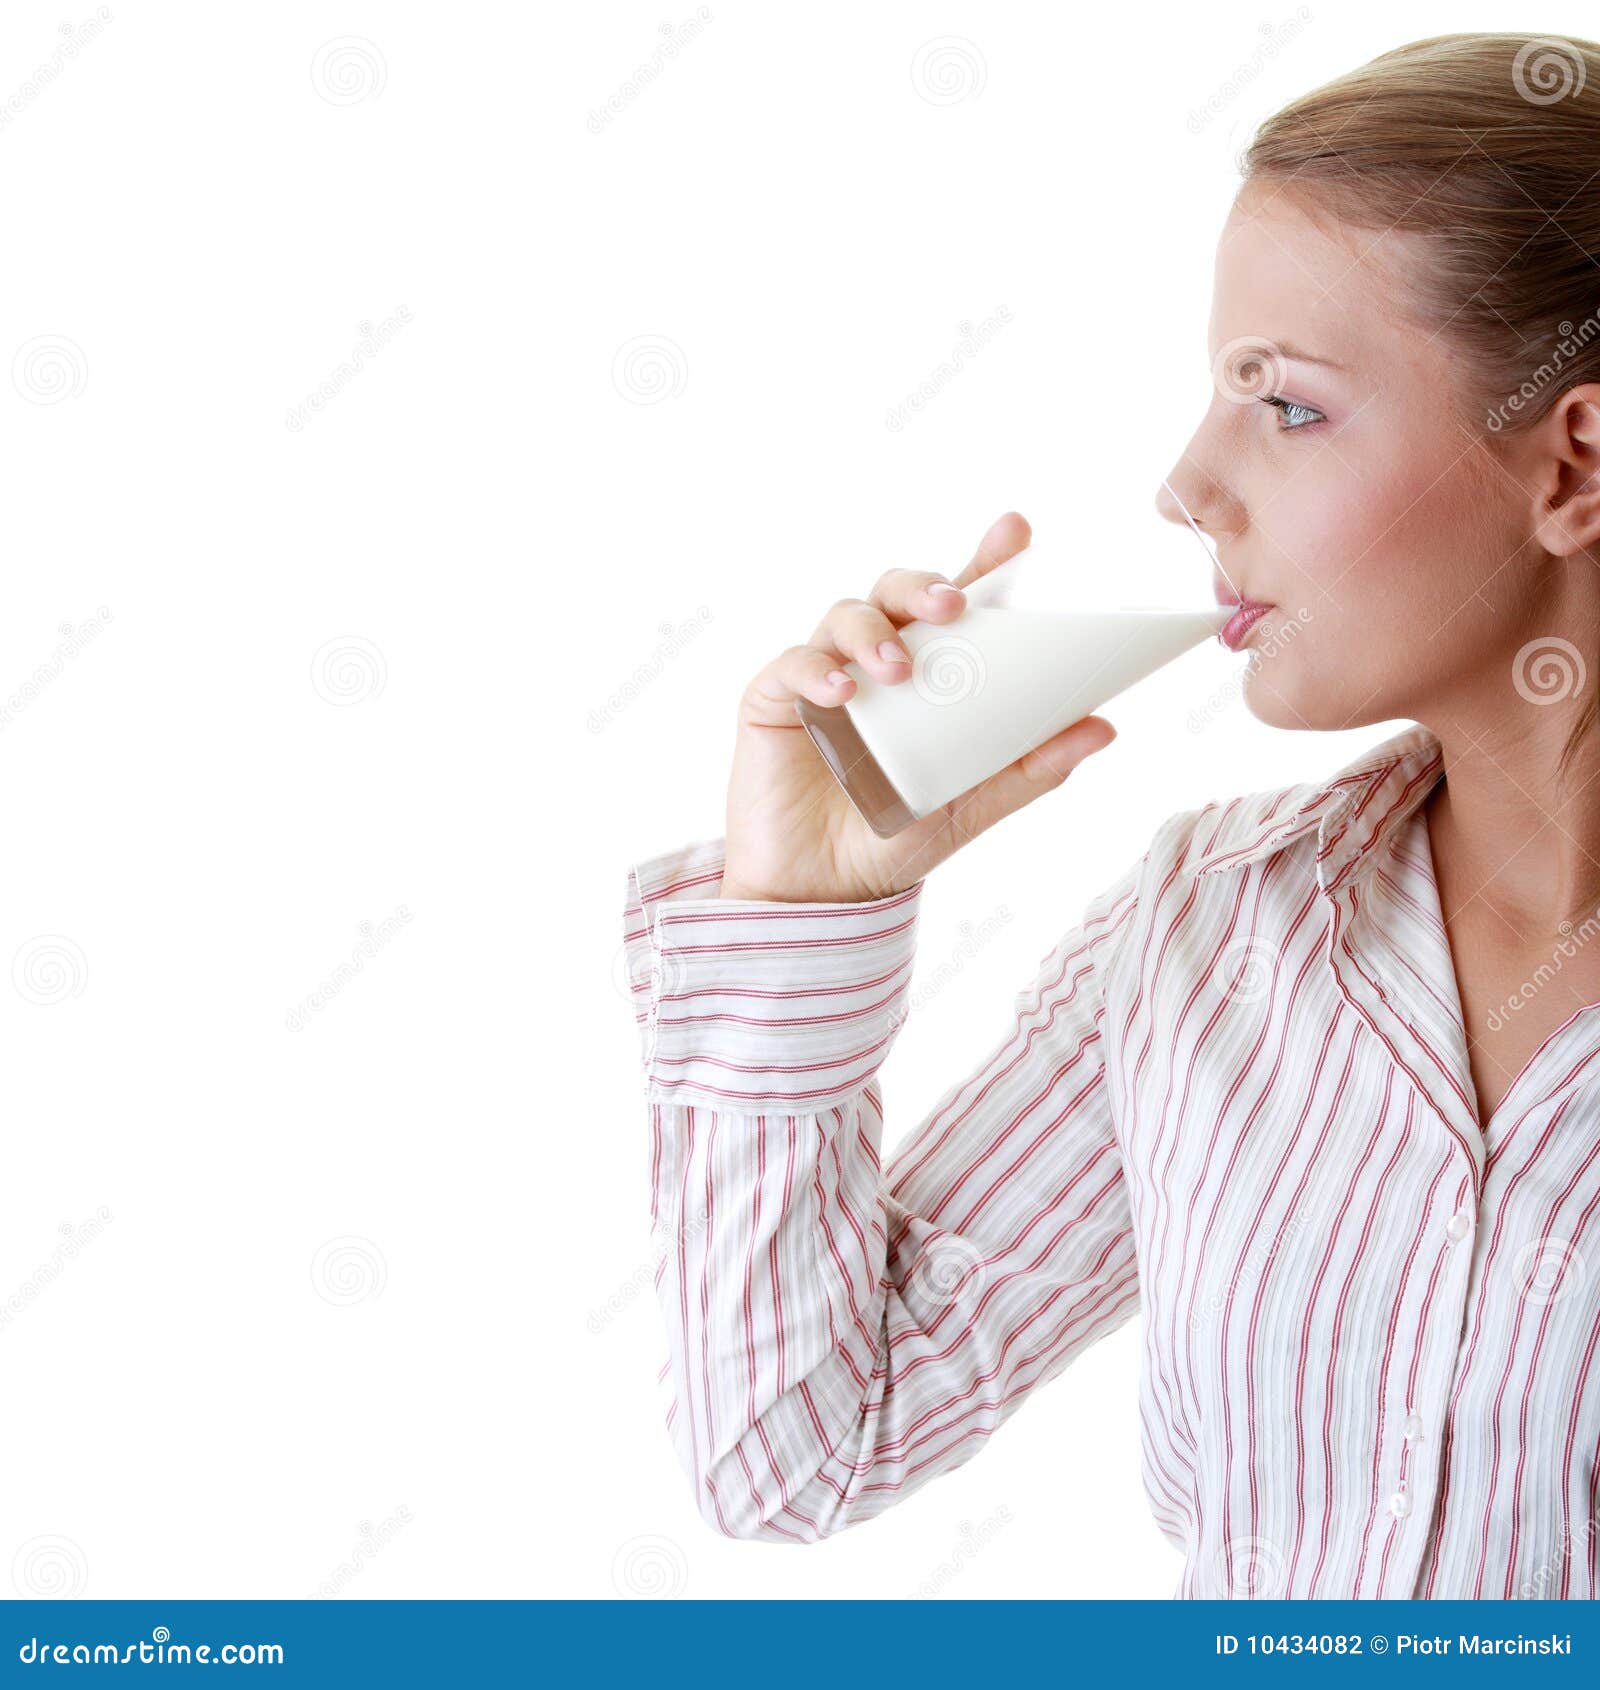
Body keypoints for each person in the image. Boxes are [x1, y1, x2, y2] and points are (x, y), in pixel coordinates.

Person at [620, 33, 1600, 1598]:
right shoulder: (1210, 929)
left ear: (1577, 465)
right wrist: (802, 896)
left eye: (1286, 408)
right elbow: (798, 1448)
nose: (1185, 483)